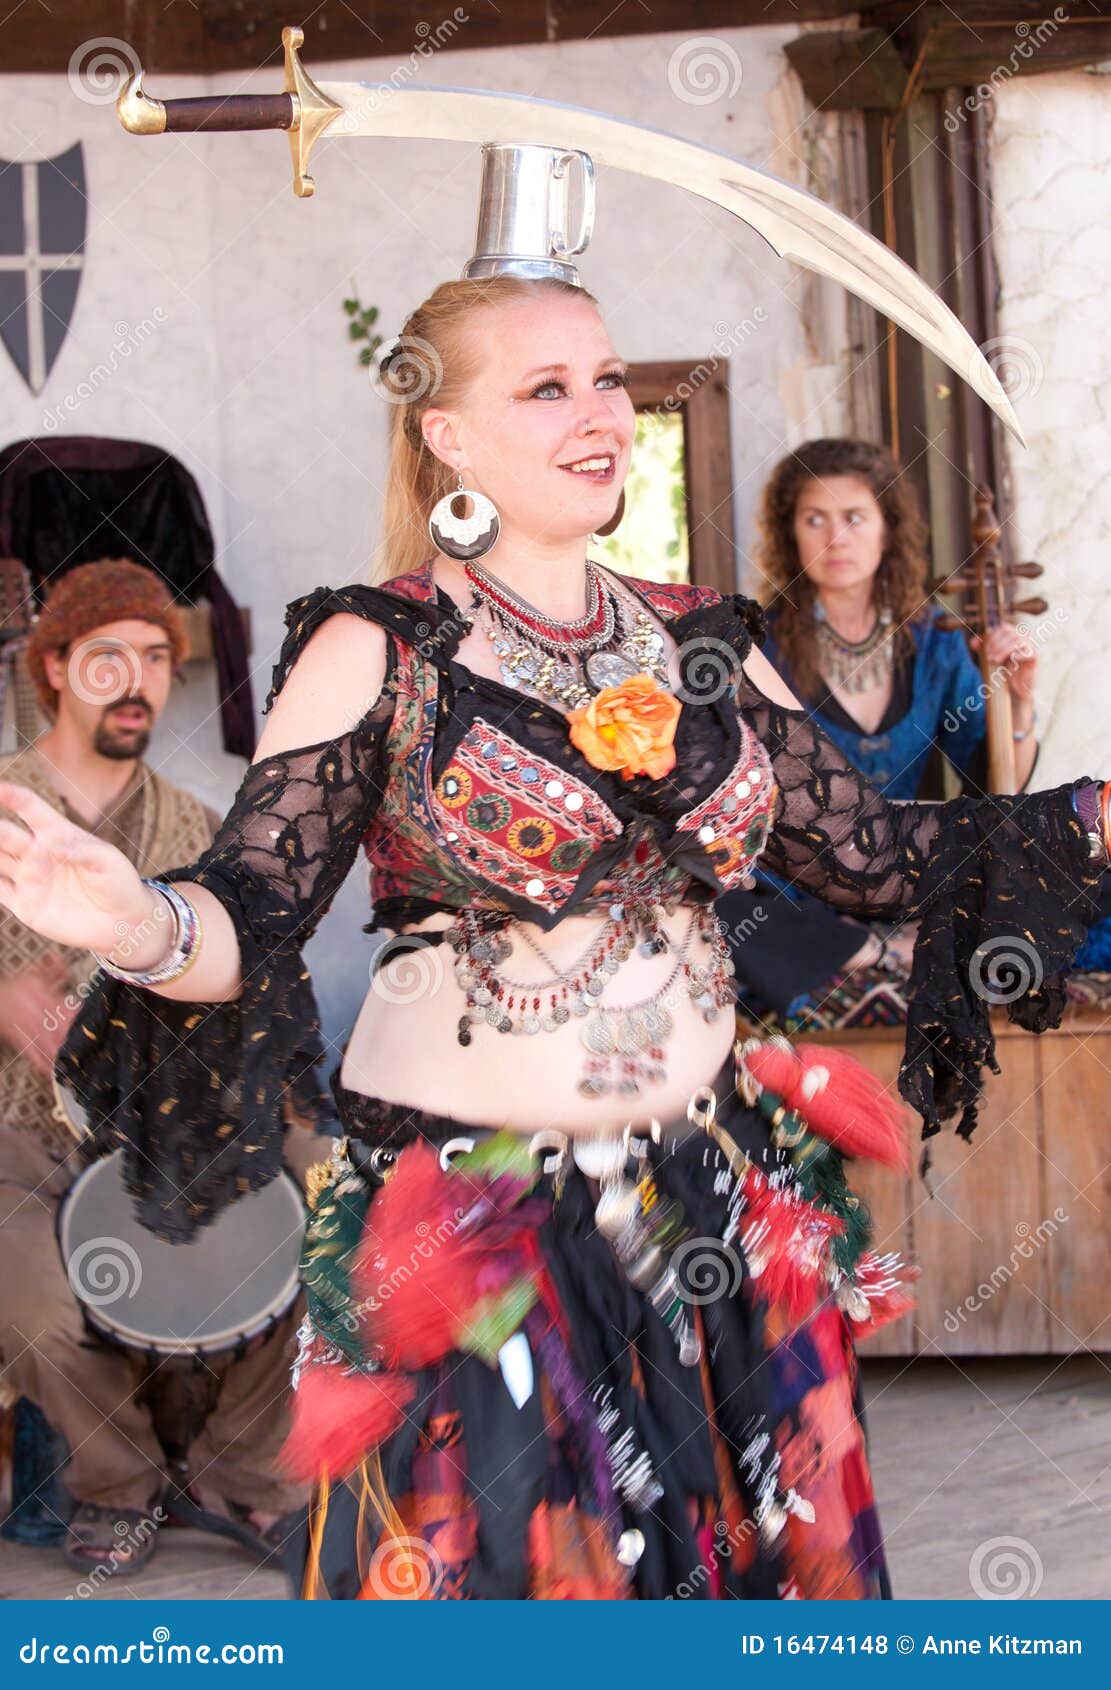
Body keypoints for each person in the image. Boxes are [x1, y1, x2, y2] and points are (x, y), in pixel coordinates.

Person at [0, 278, 1104, 1601]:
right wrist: (134, 919)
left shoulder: (702, 635)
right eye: (545, 388)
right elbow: (250, 908)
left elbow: (872, 856)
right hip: (473, 1235)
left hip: (710, 1201)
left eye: (605, 378)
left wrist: (1091, 818)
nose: (598, 413)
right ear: (446, 433)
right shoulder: (382, 647)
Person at [0, 561, 311, 1576]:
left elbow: (247, 986)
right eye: (107, 658)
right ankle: (118, 1485)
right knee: (39, 1300)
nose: (135, 681)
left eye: (152, 658)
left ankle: (239, 1470)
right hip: (15, 1139)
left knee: (313, 1200)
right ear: (53, 667)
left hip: (156, 1130)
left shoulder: (200, 827)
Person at [722, 437, 1039, 1036]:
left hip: (907, 881)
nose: (834, 539)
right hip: (795, 898)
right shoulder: (758, 650)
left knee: (1071, 876)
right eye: (814, 519)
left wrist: (1017, 702)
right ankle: (873, 949)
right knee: (709, 903)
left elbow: (996, 787)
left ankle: (886, 942)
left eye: (854, 518)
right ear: (791, 534)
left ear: (887, 529)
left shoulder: (938, 642)